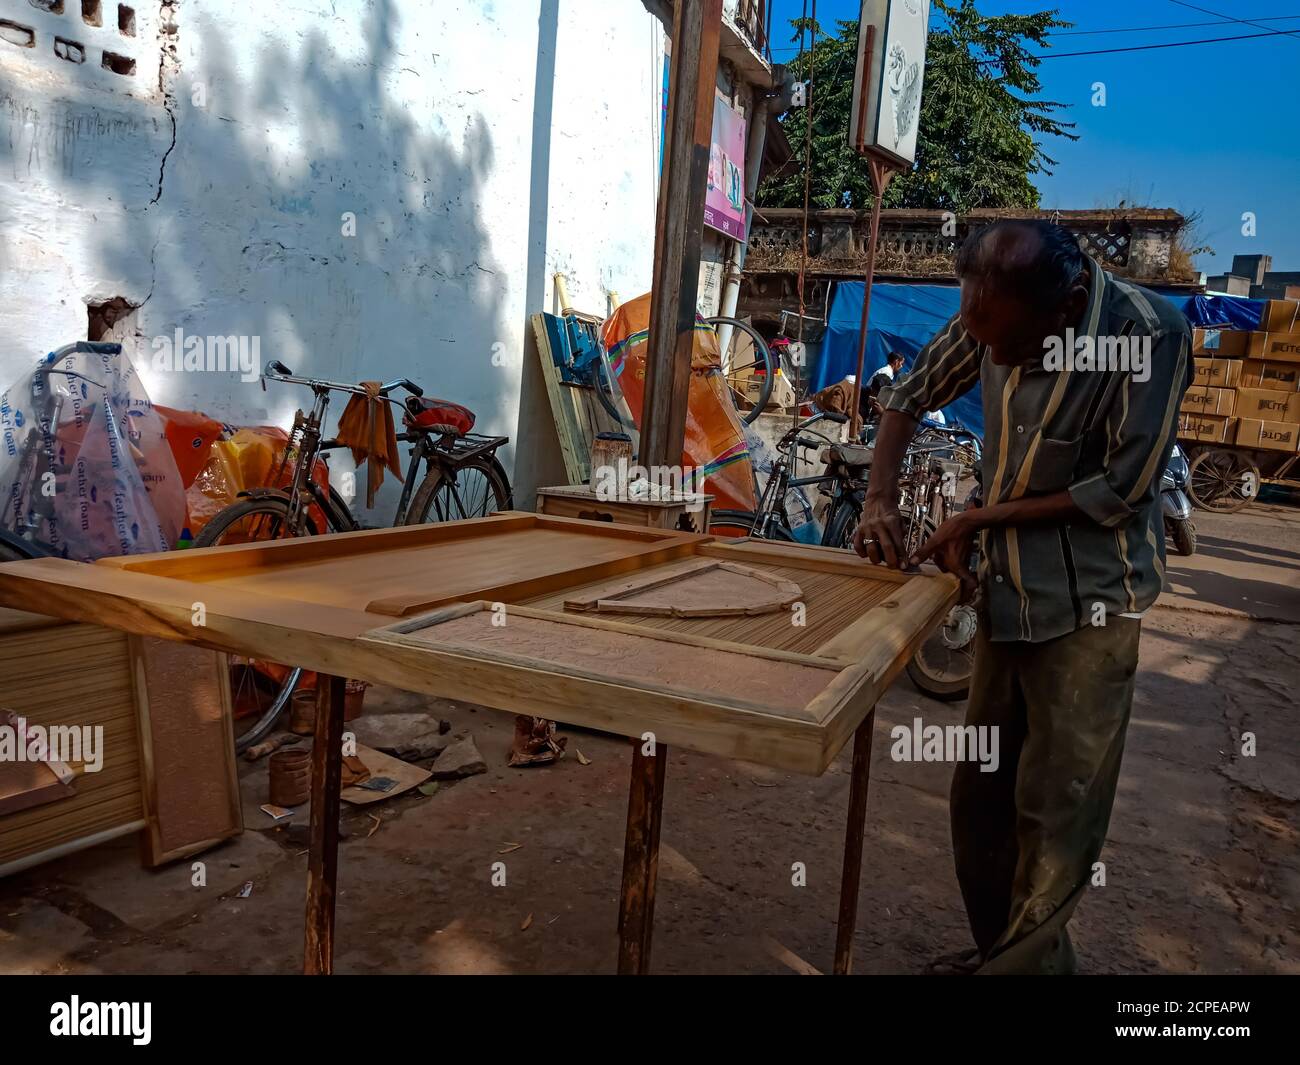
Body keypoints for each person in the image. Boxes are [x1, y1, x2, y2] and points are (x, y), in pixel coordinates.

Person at [853, 219, 1192, 974]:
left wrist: (975, 517)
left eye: (1008, 345)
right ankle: (1008, 957)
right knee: (980, 805)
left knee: (1056, 817)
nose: (993, 358)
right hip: (1009, 597)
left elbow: (1120, 488)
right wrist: (879, 498)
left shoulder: (1147, 335)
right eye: (979, 334)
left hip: (1092, 608)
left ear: (1068, 309)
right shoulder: (993, 305)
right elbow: (910, 391)